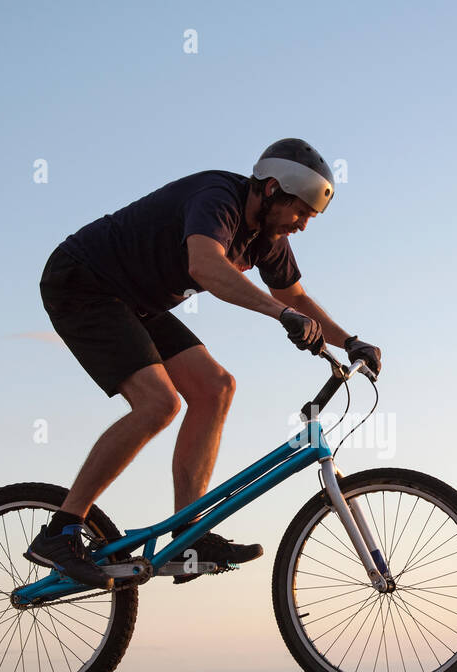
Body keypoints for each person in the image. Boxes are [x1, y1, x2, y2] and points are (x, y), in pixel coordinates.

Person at [24, 138, 382, 588]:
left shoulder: (267, 238)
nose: (303, 227)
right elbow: (205, 265)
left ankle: (188, 533)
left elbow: (295, 296)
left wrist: (350, 341)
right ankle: (62, 530)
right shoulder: (218, 199)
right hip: (83, 283)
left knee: (217, 387)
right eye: (301, 213)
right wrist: (281, 315)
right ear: (272, 190)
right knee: (158, 404)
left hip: (135, 302)